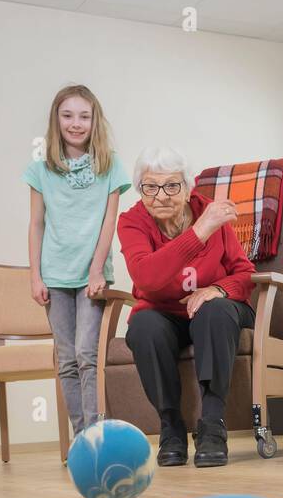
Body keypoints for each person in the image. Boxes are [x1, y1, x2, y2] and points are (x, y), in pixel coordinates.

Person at [116, 146, 255, 468]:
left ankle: (212, 425)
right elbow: (147, 278)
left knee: (214, 310)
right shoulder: (132, 222)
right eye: (150, 187)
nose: (161, 195)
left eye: (172, 186)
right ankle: (171, 428)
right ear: (140, 189)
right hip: (163, 312)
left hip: (217, 312)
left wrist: (218, 289)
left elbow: (245, 273)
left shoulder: (210, 212)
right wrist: (199, 232)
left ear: (187, 187)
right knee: (143, 327)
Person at [23, 84, 129, 435]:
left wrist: (97, 269)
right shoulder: (40, 170)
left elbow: (109, 221)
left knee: (87, 354)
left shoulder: (110, 165)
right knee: (66, 359)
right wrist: (35, 276)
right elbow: (36, 224)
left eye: (84, 116)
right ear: (57, 119)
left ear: (94, 120)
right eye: (68, 115)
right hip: (54, 276)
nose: (76, 123)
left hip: (91, 276)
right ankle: (81, 436)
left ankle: (95, 434)